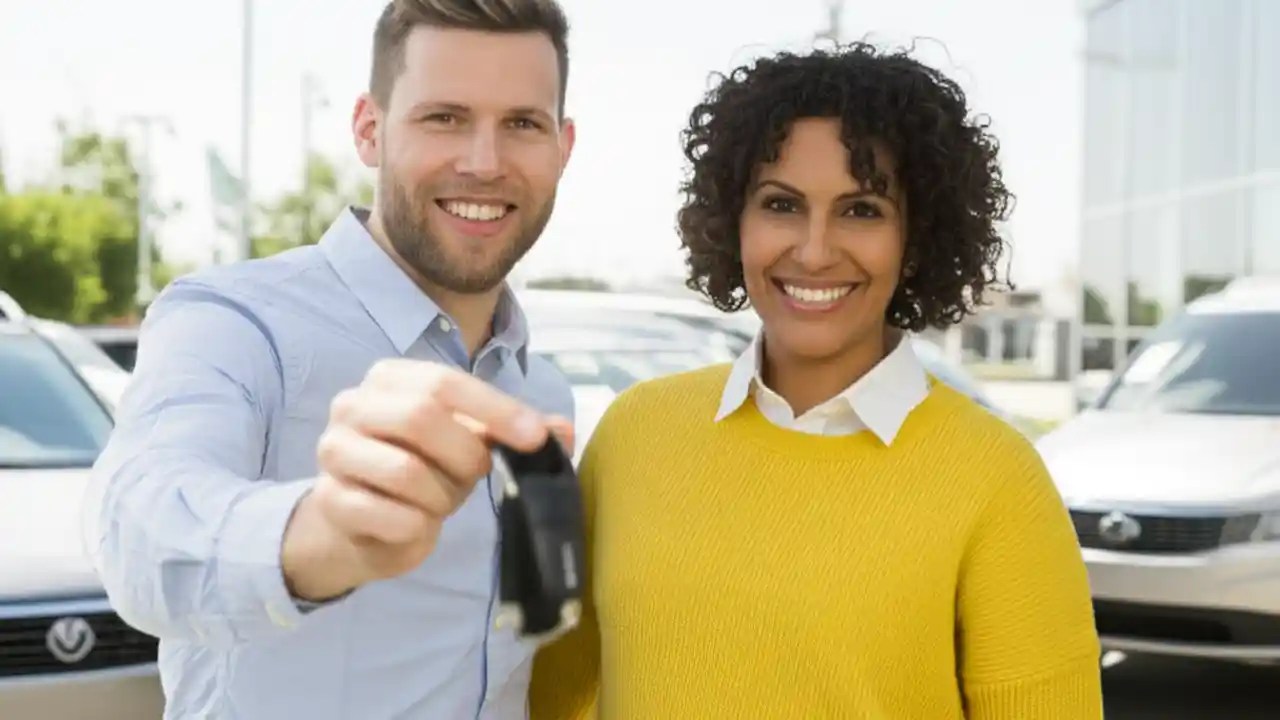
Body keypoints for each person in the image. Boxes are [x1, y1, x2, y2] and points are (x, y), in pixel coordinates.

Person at [529, 43, 1103, 719]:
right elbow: (549, 697)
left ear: (915, 238)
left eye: (861, 210)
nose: (814, 250)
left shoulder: (996, 479)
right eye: (781, 204)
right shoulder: (633, 435)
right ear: (733, 221)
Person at [82, 1, 578, 717]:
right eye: (444, 117)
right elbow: (138, 525)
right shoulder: (236, 322)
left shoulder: (545, 397)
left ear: (563, 146)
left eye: (522, 124)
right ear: (368, 130)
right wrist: (317, 536)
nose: (484, 162)